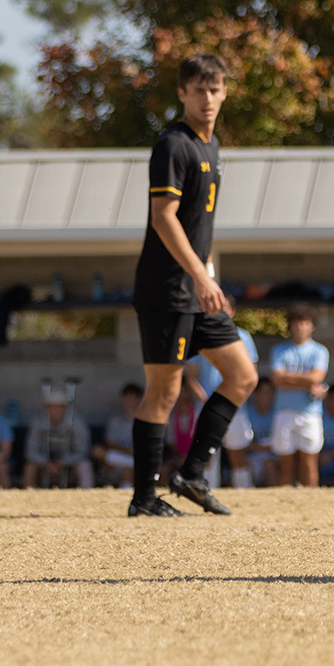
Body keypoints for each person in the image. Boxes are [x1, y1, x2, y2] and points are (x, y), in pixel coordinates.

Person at [127, 53, 258, 517]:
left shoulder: (211, 146)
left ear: (225, 92)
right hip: (166, 290)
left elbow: (198, 226)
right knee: (163, 393)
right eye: (199, 89)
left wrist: (209, 278)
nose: (208, 98)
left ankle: (192, 475)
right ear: (182, 93)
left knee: (243, 375)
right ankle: (144, 500)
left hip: (199, 290)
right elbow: (163, 218)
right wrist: (200, 276)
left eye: (215, 89)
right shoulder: (172, 145)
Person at [185, 322, 260, 487]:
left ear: (232, 311)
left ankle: (244, 493)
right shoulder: (201, 334)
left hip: (235, 408)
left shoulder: (243, 336)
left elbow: (251, 374)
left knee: (238, 455)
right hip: (206, 408)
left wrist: (237, 397)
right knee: (206, 456)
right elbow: (191, 377)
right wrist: (207, 401)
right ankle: (205, 492)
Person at [270, 303, 329, 488]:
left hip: (309, 412)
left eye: (304, 322)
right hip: (284, 411)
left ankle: (311, 500)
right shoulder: (279, 350)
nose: (300, 327)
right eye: (296, 322)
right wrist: (308, 383)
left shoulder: (320, 350)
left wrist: (288, 378)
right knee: (286, 464)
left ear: (312, 325)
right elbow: (277, 379)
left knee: (309, 462)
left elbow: (317, 377)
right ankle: (285, 500)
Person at [23, 382, 93, 489]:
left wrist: (65, 461)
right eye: (51, 406)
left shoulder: (76, 422)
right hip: (45, 464)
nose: (55, 410)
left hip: (69, 463)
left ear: (66, 408)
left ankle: (87, 495)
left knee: (84, 466)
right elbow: (30, 451)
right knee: (29, 467)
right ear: (46, 407)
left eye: (60, 406)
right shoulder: (39, 422)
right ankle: (27, 496)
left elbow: (82, 451)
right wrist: (46, 462)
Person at [96, 384, 142, 489]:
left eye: (133, 398)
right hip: (118, 460)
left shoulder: (145, 423)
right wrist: (126, 451)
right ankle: (130, 463)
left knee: (127, 469)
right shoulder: (115, 421)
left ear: (140, 400)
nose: (130, 402)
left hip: (139, 463)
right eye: (127, 398)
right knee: (97, 450)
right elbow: (110, 444)